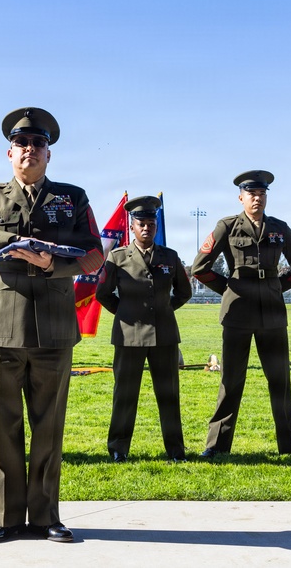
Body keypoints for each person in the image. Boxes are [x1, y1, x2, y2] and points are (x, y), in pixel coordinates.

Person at [0, 106, 104, 544]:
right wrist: (10, 242)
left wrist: (52, 262)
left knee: (48, 427)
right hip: (1, 327)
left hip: (54, 326)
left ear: (48, 155)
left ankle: (44, 517)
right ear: (10, 152)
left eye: (38, 145)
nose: (30, 151)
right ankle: (3, 517)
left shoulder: (72, 198)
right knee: (0, 429)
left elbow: (95, 253)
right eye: (22, 145)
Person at [190, 170, 291, 460]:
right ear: (241, 197)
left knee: (280, 380)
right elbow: (200, 268)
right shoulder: (227, 226)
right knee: (231, 379)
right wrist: (231, 289)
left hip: (271, 313)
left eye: (262, 194)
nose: (257, 199)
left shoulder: (280, 228)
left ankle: (290, 446)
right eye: (252, 194)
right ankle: (217, 445)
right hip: (238, 312)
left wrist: (274, 287)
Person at [96, 195, 192, 462]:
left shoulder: (170, 257)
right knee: (124, 396)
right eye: (142, 223)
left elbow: (184, 292)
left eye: (151, 223)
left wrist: (164, 308)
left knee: (169, 395)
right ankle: (118, 449)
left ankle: (175, 451)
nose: (147, 228)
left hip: (165, 336)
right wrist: (125, 312)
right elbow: (102, 293)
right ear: (132, 227)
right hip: (129, 336)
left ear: (156, 226)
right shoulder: (117, 257)